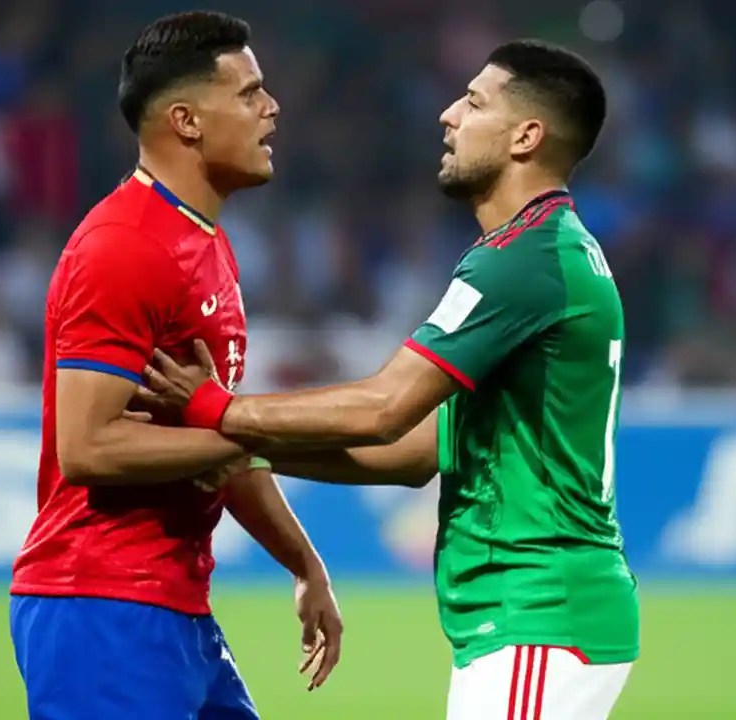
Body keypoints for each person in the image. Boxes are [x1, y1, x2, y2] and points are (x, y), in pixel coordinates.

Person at [144, 39, 638, 720]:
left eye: (473, 101)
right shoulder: (539, 252)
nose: (448, 115)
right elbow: (411, 452)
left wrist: (214, 410)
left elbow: (383, 407)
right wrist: (242, 447)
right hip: (529, 620)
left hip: (542, 612)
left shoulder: (525, 262)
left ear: (527, 135)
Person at [9, 12, 341, 720]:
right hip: (101, 608)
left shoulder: (204, 244)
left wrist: (304, 563)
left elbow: (216, 443)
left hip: (174, 609)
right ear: (187, 120)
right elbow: (89, 445)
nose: (271, 107)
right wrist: (251, 433)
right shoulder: (124, 245)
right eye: (249, 93)